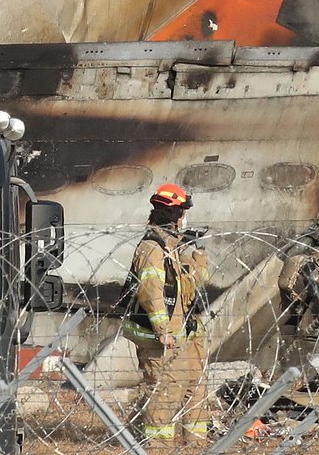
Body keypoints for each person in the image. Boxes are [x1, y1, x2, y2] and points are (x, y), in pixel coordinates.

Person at [123, 183, 209, 446]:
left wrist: (198, 254)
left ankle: (196, 446)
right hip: (163, 338)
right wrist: (163, 332)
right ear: (176, 215)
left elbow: (196, 284)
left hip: (186, 333)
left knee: (195, 389)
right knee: (164, 394)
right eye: (182, 212)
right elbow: (151, 292)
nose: (185, 219)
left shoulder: (174, 248)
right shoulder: (152, 248)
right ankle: (159, 449)